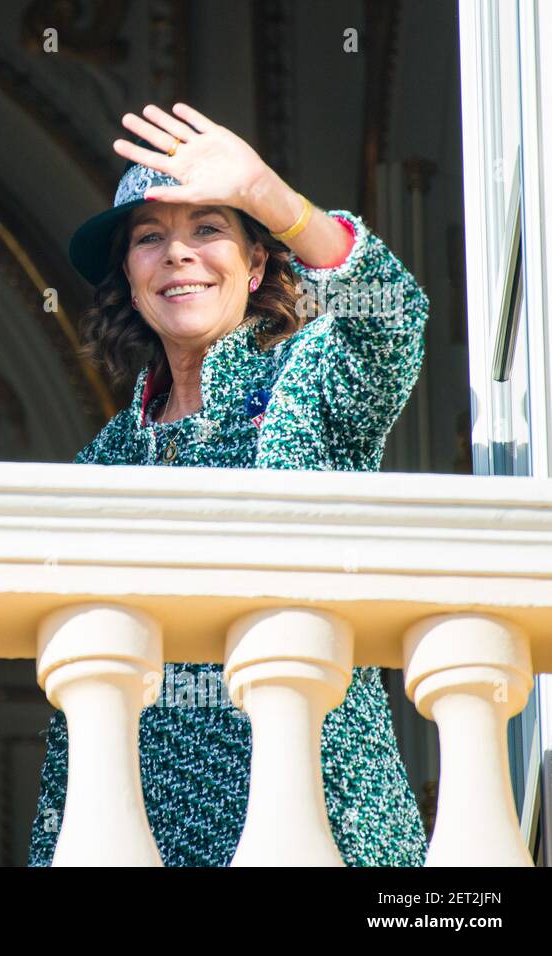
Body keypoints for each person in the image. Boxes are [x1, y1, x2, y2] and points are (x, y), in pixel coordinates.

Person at [28, 103, 430, 866]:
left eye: (208, 228)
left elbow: (392, 319)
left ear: (253, 266)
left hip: (317, 818)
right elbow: (73, 706)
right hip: (147, 836)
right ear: (130, 279)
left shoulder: (300, 382)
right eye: (151, 238)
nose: (178, 254)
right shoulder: (107, 460)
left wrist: (268, 197)